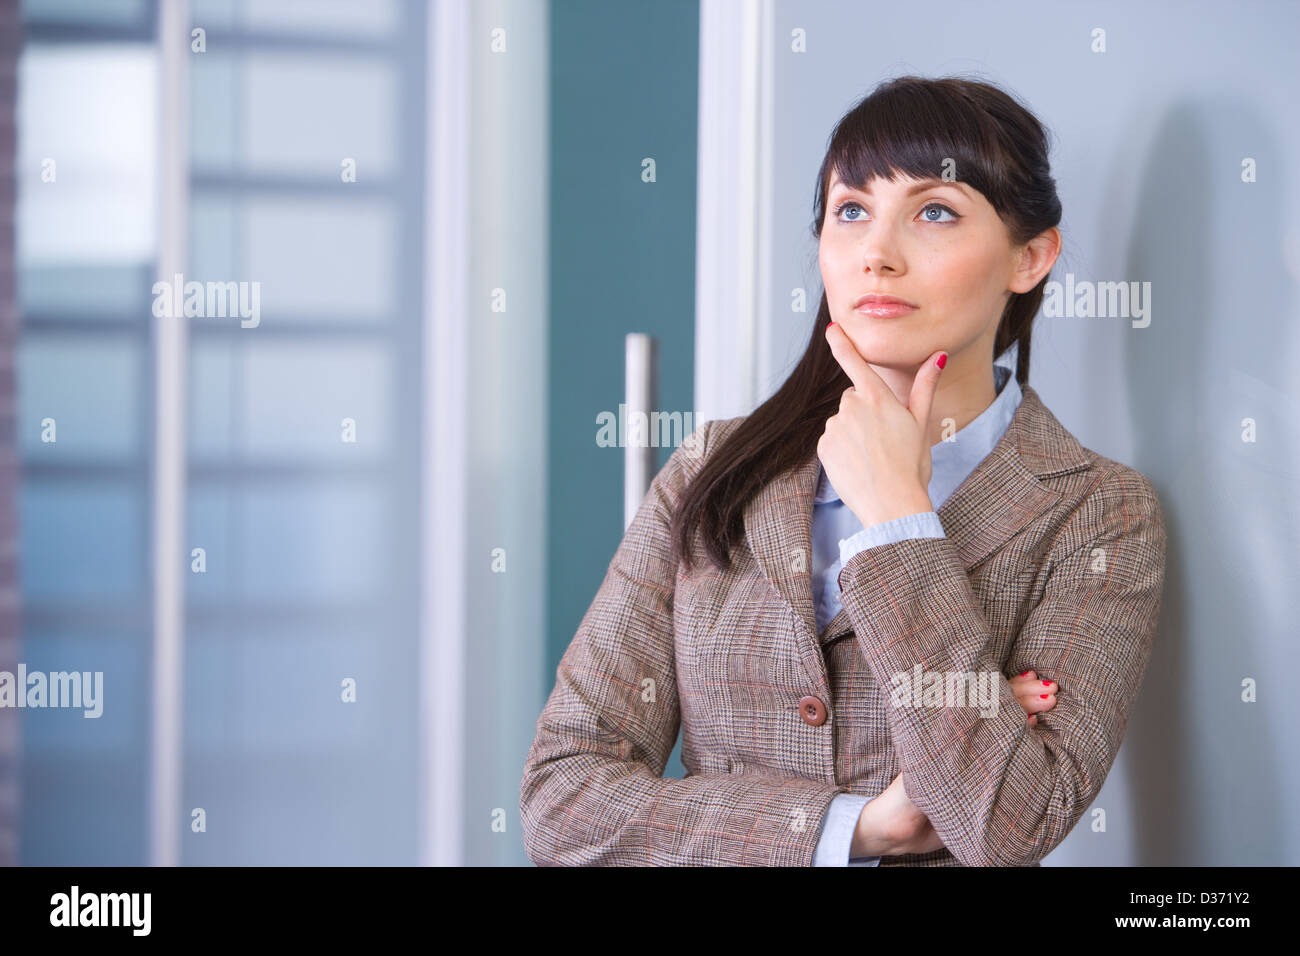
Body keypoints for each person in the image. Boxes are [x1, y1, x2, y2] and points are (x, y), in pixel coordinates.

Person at [520, 75, 1168, 866]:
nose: (877, 254)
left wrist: (899, 518)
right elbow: (561, 799)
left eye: (934, 212)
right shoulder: (709, 469)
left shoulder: (1101, 514)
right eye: (851, 211)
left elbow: (1007, 825)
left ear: (1029, 257)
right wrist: (849, 826)